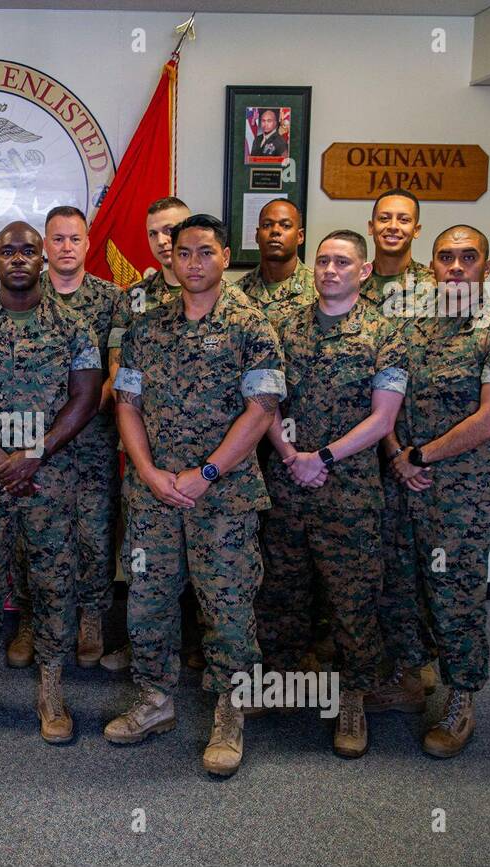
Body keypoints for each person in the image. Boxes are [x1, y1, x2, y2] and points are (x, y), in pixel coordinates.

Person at [102, 214, 284, 778]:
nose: (194, 263)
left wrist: (206, 473)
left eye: (206, 252)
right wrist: (150, 472)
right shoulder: (144, 329)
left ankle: (231, 710)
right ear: (171, 259)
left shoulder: (253, 326)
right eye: (184, 253)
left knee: (227, 604)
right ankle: (156, 698)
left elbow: (262, 411)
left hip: (223, 497)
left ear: (226, 256)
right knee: (148, 600)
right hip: (154, 494)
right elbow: (126, 405)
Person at [0, 221, 102, 744]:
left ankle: (50, 693)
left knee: (55, 584)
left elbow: (86, 398)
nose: (17, 259)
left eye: (27, 251)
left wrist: (34, 454)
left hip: (51, 478)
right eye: (7, 251)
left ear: (42, 260)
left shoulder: (74, 325)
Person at [375, 225, 490, 757]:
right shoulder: (408, 321)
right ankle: (408, 680)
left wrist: (421, 456)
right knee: (400, 589)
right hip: (401, 483)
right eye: (446, 257)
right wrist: (398, 453)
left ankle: (461, 698)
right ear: (432, 264)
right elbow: (385, 398)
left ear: (487, 266)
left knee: (454, 599)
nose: (457, 266)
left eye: (469, 257)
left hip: (460, 498)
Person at [253, 230, 407, 758]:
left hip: (350, 490)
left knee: (352, 599)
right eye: (323, 261)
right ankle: (283, 684)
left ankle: (354, 702)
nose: (330, 269)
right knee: (281, 591)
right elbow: (265, 401)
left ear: (364, 272)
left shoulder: (386, 333)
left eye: (342, 262)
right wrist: (292, 456)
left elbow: (383, 418)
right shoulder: (282, 325)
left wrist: (321, 459)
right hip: (288, 480)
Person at [9, 205, 122, 670]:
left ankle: (90, 618)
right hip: (33, 443)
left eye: (74, 239)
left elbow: (116, 370)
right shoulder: (24, 296)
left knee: (94, 533)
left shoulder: (112, 299)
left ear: (88, 243)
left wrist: (75, 419)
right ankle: (32, 618)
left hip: (91, 436)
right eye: (57, 239)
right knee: (31, 531)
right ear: (43, 248)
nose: (66, 248)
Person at [99, 195, 193, 673]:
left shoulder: (216, 291)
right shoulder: (134, 296)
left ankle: (196, 646)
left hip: (203, 452)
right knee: (143, 554)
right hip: (145, 448)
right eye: (154, 233)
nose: (163, 241)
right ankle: (145, 648)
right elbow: (117, 369)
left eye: (172, 230)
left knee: (209, 561)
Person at [362, 188, 442, 703]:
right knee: (376, 560)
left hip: (421, 448)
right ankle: (390, 663)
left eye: (404, 219)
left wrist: (408, 453)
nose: (393, 225)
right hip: (362, 448)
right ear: (371, 226)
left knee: (424, 562)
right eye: (384, 218)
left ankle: (423, 665)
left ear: (417, 229)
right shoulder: (353, 279)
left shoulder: (440, 289)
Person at [235, 198, 315, 317]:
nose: (275, 230)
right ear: (257, 235)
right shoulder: (237, 293)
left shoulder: (319, 289)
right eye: (267, 225)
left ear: (300, 236)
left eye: (286, 225)